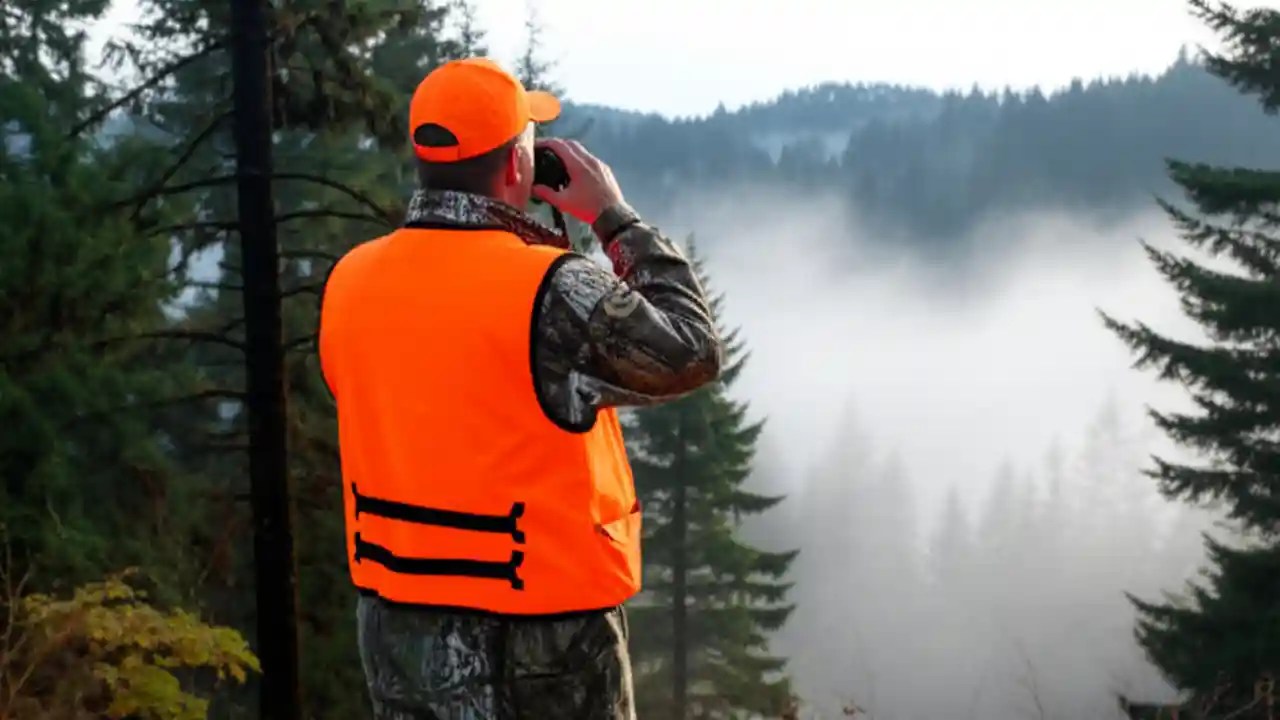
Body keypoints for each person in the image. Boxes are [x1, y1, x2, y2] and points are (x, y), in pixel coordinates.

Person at [317, 56, 724, 720]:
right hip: (545, 630)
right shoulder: (554, 286)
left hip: (401, 631)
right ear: (515, 168)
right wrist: (613, 217)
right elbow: (692, 352)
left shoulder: (350, 280)